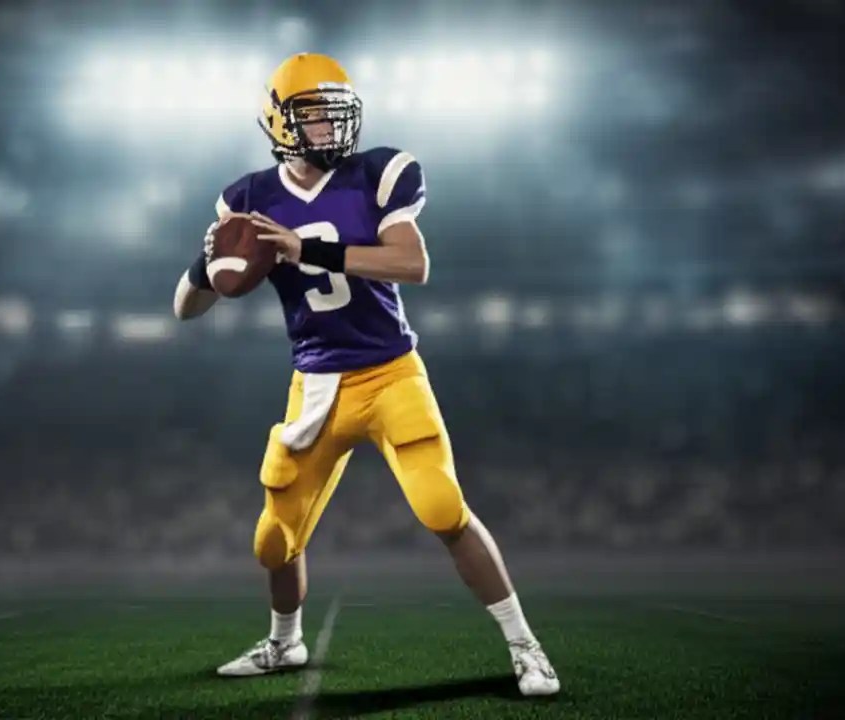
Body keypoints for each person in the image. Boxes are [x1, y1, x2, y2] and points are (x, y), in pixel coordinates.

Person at [172, 52, 559, 697]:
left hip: (389, 374)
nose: (332, 129)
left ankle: (526, 646)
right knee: (274, 541)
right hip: (316, 385)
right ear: (280, 121)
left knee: (443, 507)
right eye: (315, 117)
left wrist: (304, 248)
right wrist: (205, 264)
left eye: (337, 115)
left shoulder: (378, 173)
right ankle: (285, 642)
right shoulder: (247, 199)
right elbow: (185, 309)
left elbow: (412, 264)